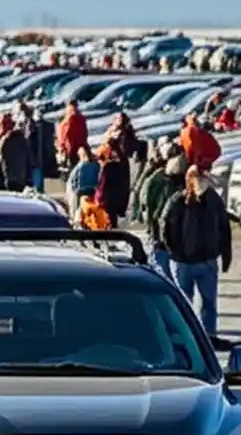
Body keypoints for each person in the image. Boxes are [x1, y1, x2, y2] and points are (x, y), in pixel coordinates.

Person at [162, 166, 233, 348]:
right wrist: (173, 251)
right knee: (182, 302)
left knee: (209, 303)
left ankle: (209, 337)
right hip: (183, 261)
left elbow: (224, 227)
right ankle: (182, 338)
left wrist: (225, 254)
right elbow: (164, 225)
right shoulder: (178, 201)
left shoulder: (213, 201)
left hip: (207, 260)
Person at [142, 149, 188, 282]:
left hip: (162, 237)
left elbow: (147, 202)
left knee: (161, 274)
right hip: (175, 239)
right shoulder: (185, 185)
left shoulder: (158, 180)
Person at [95, 139, 132, 228]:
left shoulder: (107, 166)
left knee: (110, 217)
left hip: (109, 197)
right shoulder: (124, 161)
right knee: (113, 217)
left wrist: (98, 197)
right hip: (120, 193)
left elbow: (102, 184)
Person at [0, 114, 32, 192]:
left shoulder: (5, 139)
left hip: (8, 175)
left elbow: (0, 157)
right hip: (21, 177)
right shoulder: (23, 140)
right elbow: (28, 158)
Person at [65, 146, 101, 220]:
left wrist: (73, 190)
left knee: (79, 210)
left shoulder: (80, 166)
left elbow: (73, 179)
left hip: (81, 191)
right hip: (93, 190)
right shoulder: (96, 164)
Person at [57, 100, 89, 168]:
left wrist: (62, 145)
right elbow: (85, 132)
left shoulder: (67, 120)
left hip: (70, 146)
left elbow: (63, 134)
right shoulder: (81, 118)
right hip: (80, 145)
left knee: (71, 165)